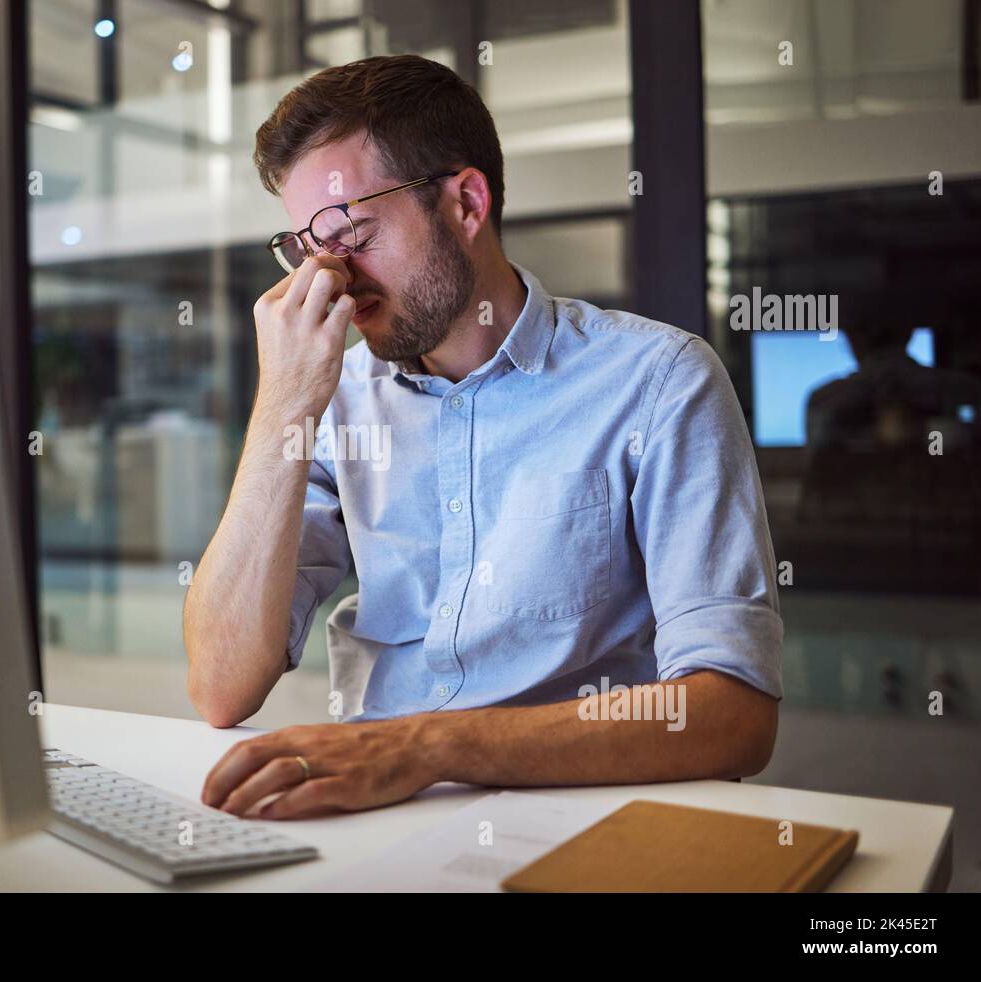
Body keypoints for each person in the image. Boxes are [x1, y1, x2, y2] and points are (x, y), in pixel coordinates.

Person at [184, 55, 781, 819]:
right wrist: (282, 409)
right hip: (373, 812)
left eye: (352, 233)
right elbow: (220, 685)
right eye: (306, 247)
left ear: (466, 203)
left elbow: (732, 713)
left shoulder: (659, 382)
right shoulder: (334, 397)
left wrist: (427, 747)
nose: (331, 278)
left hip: (580, 818)